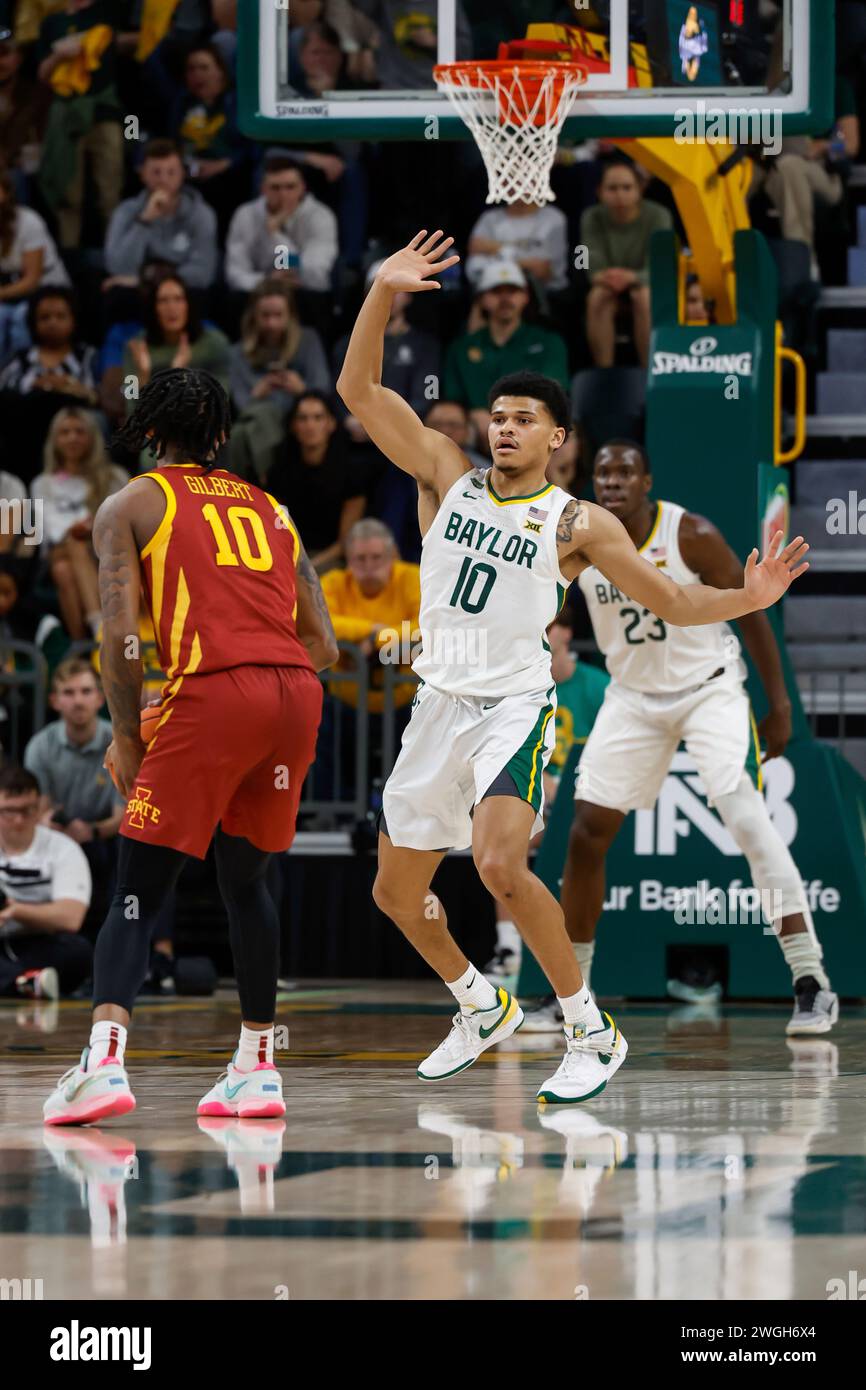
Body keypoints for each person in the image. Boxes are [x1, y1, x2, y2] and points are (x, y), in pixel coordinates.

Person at [336, 229, 808, 1104]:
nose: (506, 428)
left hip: (513, 705)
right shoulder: (447, 473)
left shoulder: (579, 523)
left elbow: (670, 604)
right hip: (436, 702)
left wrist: (748, 597)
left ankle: (589, 1027)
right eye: (499, 417)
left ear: (558, 437)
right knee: (396, 894)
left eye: (525, 421)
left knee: (501, 866)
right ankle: (480, 1003)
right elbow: (357, 389)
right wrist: (382, 288)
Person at [43, 366, 338, 1126]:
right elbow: (326, 644)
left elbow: (119, 640)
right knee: (247, 882)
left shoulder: (132, 501)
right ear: (220, 435)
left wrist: (131, 735)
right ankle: (258, 1068)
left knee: (138, 885)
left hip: (214, 694)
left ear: (148, 433)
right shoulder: (272, 507)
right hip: (295, 694)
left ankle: (103, 1060)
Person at [526, 439, 836, 1036]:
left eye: (626, 473)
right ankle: (574, 996)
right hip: (632, 698)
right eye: (603, 474)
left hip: (709, 687)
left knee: (745, 816)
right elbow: (545, 606)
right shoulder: (580, 538)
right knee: (587, 832)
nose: (612, 482)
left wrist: (778, 702)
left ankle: (811, 979)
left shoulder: (689, 533)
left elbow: (753, 610)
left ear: (647, 483)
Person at [485, 610, 610, 991]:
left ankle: (545, 961)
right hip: (535, 793)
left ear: (566, 634)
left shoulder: (598, 687)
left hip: (587, 792)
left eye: (547, 625)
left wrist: (564, 780)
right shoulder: (518, 685)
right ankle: (510, 951)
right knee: (504, 844)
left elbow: (614, 751)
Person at [35, 0, 136, 251]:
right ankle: (68, 255)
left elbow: (137, 40)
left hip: (108, 113)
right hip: (66, 115)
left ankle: (114, 254)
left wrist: (108, 40)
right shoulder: (52, 22)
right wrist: (60, 55)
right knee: (69, 192)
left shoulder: (109, 11)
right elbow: (42, 74)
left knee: (111, 187)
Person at [443, 260, 569, 453]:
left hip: (532, 424)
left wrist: (504, 421)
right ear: (482, 299)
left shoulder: (549, 342)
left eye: (512, 291)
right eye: (496, 292)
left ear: (525, 296)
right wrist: (475, 416)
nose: (505, 298)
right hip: (473, 433)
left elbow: (553, 394)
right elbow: (452, 399)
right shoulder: (462, 347)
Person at [31, 407, 128, 639]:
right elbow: (48, 534)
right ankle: (99, 628)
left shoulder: (115, 477)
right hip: (58, 551)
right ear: (54, 439)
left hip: (106, 553)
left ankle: (83, 645)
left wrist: (96, 527)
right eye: (65, 432)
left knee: (64, 569)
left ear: (92, 436)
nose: (72, 437)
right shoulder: (42, 483)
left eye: (79, 431)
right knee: (70, 548)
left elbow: (124, 524)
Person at [0, 764, 92, 1001]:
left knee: (78, 951)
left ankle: (20, 982)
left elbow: (71, 917)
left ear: (40, 807)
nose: (19, 821)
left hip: (41, 942)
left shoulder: (63, 848)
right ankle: (25, 983)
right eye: (9, 812)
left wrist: (14, 910)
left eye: (28, 810)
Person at [228, 277, 330, 481]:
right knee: (252, 421)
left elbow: (323, 391)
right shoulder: (238, 352)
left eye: (278, 315)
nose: (271, 323)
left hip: (298, 419)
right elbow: (240, 406)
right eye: (265, 315)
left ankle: (263, 485)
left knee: (240, 433)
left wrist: (301, 389)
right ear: (254, 316)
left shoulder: (308, 340)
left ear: (290, 315)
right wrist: (258, 393)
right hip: (258, 424)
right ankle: (271, 483)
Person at [580, 154, 673, 367]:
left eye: (626, 187)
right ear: (599, 192)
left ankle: (650, 372)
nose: (620, 195)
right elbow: (585, 258)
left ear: (639, 190)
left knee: (643, 296)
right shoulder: (590, 217)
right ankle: (604, 373)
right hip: (608, 285)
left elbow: (661, 266)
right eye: (612, 188)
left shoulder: (660, 215)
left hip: (646, 285)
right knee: (597, 296)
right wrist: (600, 276)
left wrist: (632, 277)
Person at [265, 390, 366, 572]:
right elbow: (276, 527)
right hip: (290, 554)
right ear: (294, 425)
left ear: (331, 424)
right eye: (303, 419)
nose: (310, 426)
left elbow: (345, 542)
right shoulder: (278, 470)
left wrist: (310, 567)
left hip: (332, 560)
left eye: (318, 418)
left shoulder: (352, 472)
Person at [104, 138, 219, 295]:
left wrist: (147, 279)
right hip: (138, 295)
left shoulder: (201, 214)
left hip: (182, 295)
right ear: (143, 174)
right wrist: (144, 221)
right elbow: (117, 267)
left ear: (182, 175)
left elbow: (203, 274)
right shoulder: (125, 211)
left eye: (171, 172)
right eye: (156, 172)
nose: (163, 180)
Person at [225, 154, 339, 298]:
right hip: (258, 296)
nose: (283, 194)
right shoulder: (245, 215)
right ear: (263, 189)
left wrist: (276, 234)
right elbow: (235, 274)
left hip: (306, 297)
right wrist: (269, 282)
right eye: (275, 188)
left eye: (290, 187)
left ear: (302, 188)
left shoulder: (321, 216)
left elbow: (316, 276)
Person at [171, 42, 250, 237]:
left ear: (220, 72)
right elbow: (171, 141)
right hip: (187, 176)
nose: (197, 74)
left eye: (204, 67)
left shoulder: (237, 103)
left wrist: (223, 164)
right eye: (191, 69)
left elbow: (252, 148)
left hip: (228, 176)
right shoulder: (181, 103)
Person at [0, 166, 70, 360]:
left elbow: (31, 280)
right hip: (9, 294)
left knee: (21, 319)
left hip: (46, 288)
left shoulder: (28, 221)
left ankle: (21, 375)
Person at [465, 200, 570, 294]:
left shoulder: (553, 217)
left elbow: (542, 271)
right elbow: (475, 251)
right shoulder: (490, 218)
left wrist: (498, 251)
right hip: (493, 289)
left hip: (545, 294)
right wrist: (524, 261)